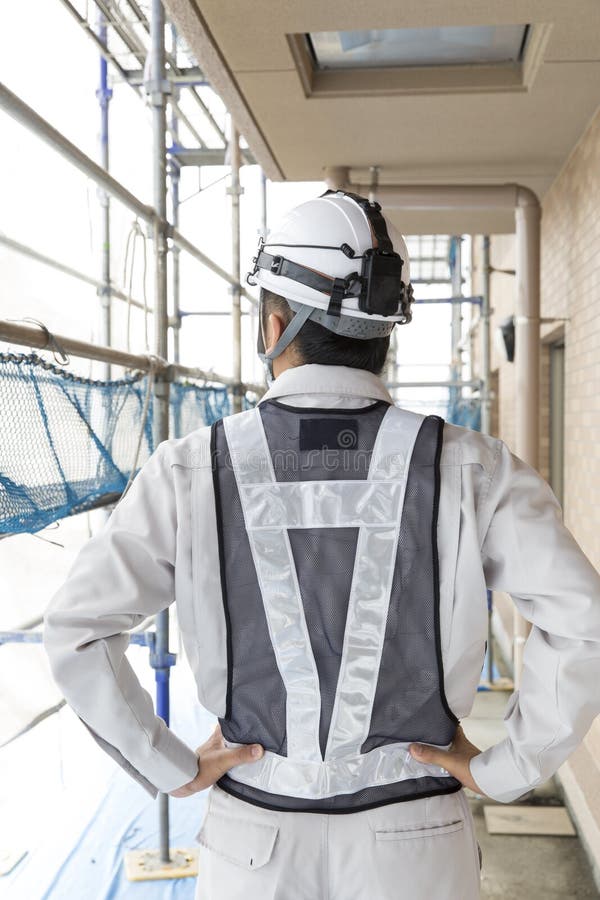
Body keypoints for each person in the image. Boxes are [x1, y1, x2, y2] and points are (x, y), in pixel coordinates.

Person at [43, 190, 600, 900]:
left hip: (255, 844)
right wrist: (507, 766)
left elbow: (76, 631)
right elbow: (582, 622)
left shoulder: (190, 469)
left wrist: (171, 764)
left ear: (273, 325)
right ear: (386, 330)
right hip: (418, 842)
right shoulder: (471, 466)